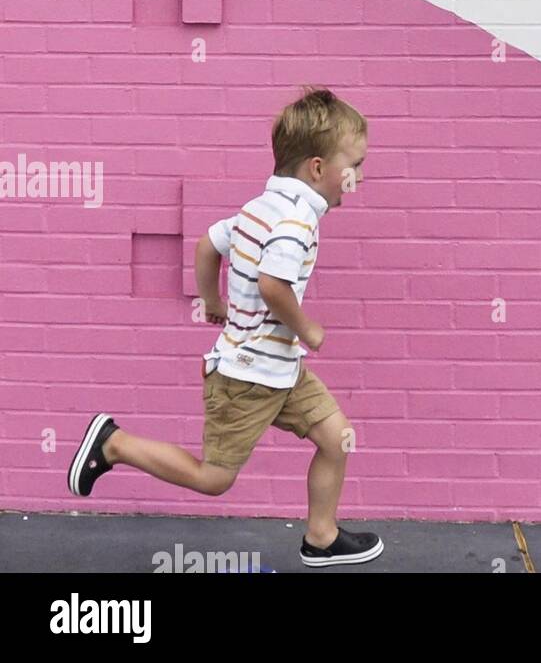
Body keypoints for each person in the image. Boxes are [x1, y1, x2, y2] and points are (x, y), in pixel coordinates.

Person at [68, 87, 383, 567]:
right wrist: (307, 328)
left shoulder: (262, 205)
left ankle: (321, 536)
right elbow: (274, 284)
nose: (358, 177)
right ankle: (114, 443)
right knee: (215, 479)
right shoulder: (297, 219)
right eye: (354, 165)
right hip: (246, 378)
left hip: (280, 370)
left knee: (335, 435)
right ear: (318, 169)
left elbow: (207, 244)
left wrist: (212, 300)